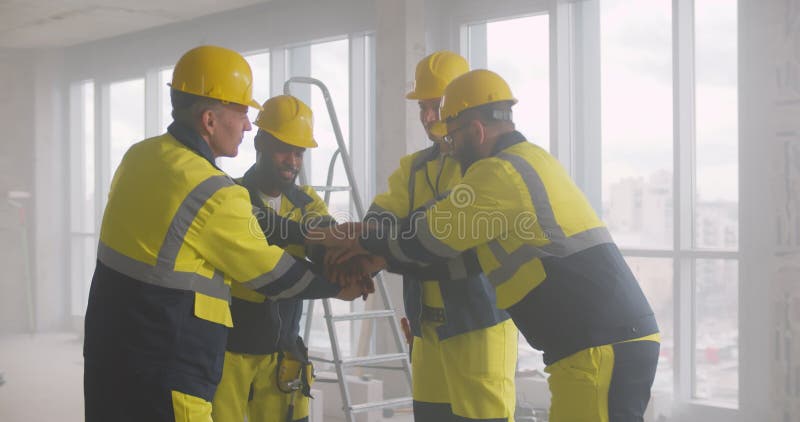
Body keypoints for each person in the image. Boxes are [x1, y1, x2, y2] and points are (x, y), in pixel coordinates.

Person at [316, 69, 661, 422]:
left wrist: (358, 240)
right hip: (602, 341)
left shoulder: (499, 173)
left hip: (597, 346)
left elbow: (427, 237)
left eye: (452, 137)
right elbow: (445, 251)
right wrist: (379, 255)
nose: (449, 148)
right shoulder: (532, 159)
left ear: (477, 131)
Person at [83, 45, 366, 422]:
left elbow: (267, 225)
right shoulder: (215, 190)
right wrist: (338, 286)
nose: (247, 125)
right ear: (209, 119)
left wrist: (324, 239)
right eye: (242, 112)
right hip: (169, 371)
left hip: (110, 361)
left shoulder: (139, 156)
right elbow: (273, 272)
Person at [340, 51, 518, 421]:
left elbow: (445, 244)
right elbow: (378, 221)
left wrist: (380, 253)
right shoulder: (414, 168)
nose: (428, 116)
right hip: (427, 330)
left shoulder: (484, 169)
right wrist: (364, 257)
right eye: (423, 107)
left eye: (436, 106)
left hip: (479, 327)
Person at [211, 95, 335, 422]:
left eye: (299, 153)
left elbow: (329, 244)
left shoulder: (307, 203)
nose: (292, 161)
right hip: (231, 354)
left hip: (283, 354)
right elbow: (260, 237)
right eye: (284, 149)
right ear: (260, 143)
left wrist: (356, 259)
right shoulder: (232, 195)